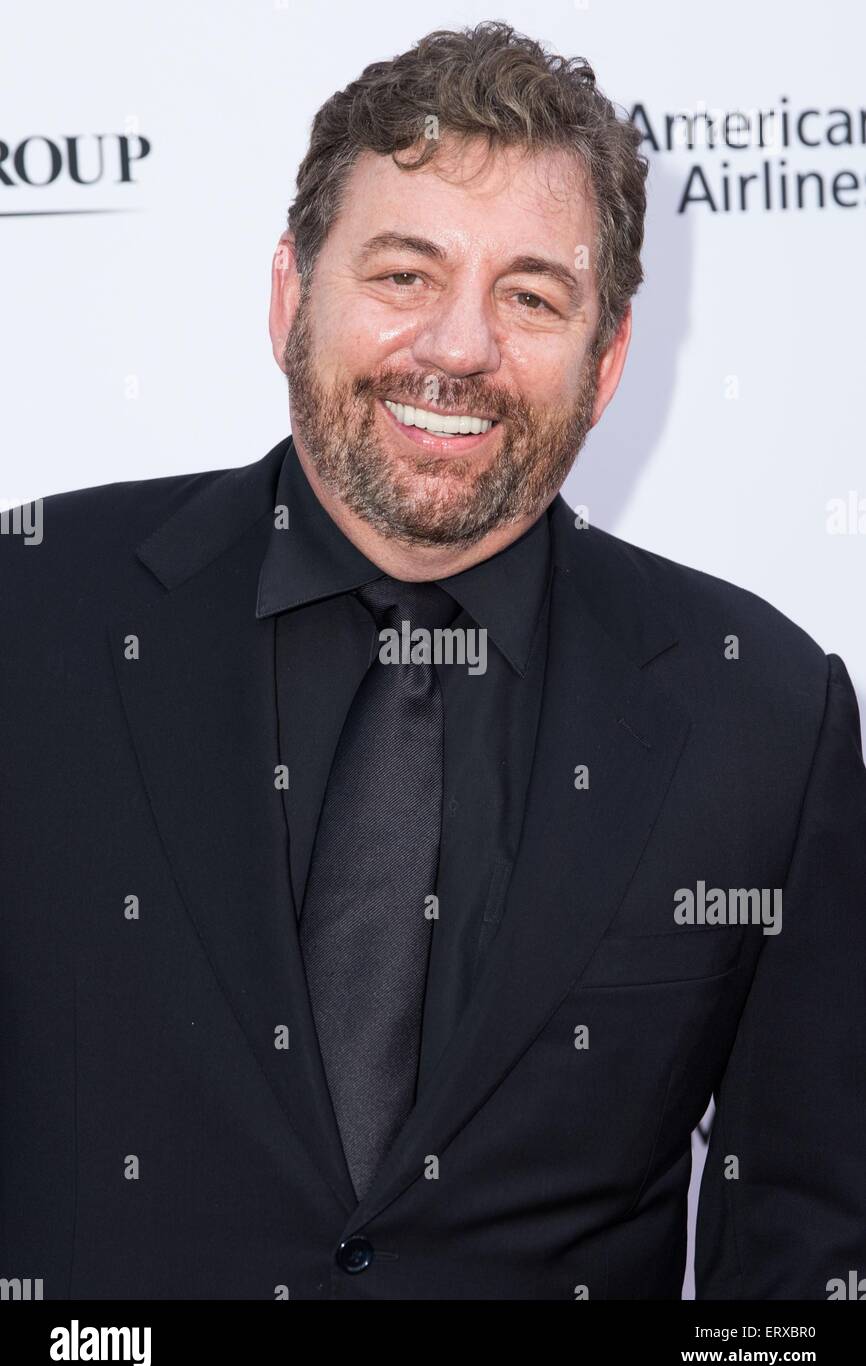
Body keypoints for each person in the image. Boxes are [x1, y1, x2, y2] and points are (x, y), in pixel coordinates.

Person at [1, 20, 864, 1301]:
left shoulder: (760, 710)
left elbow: (804, 1243)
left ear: (608, 358)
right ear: (290, 297)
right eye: (402, 275)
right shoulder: (33, 611)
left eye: (529, 295)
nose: (456, 350)